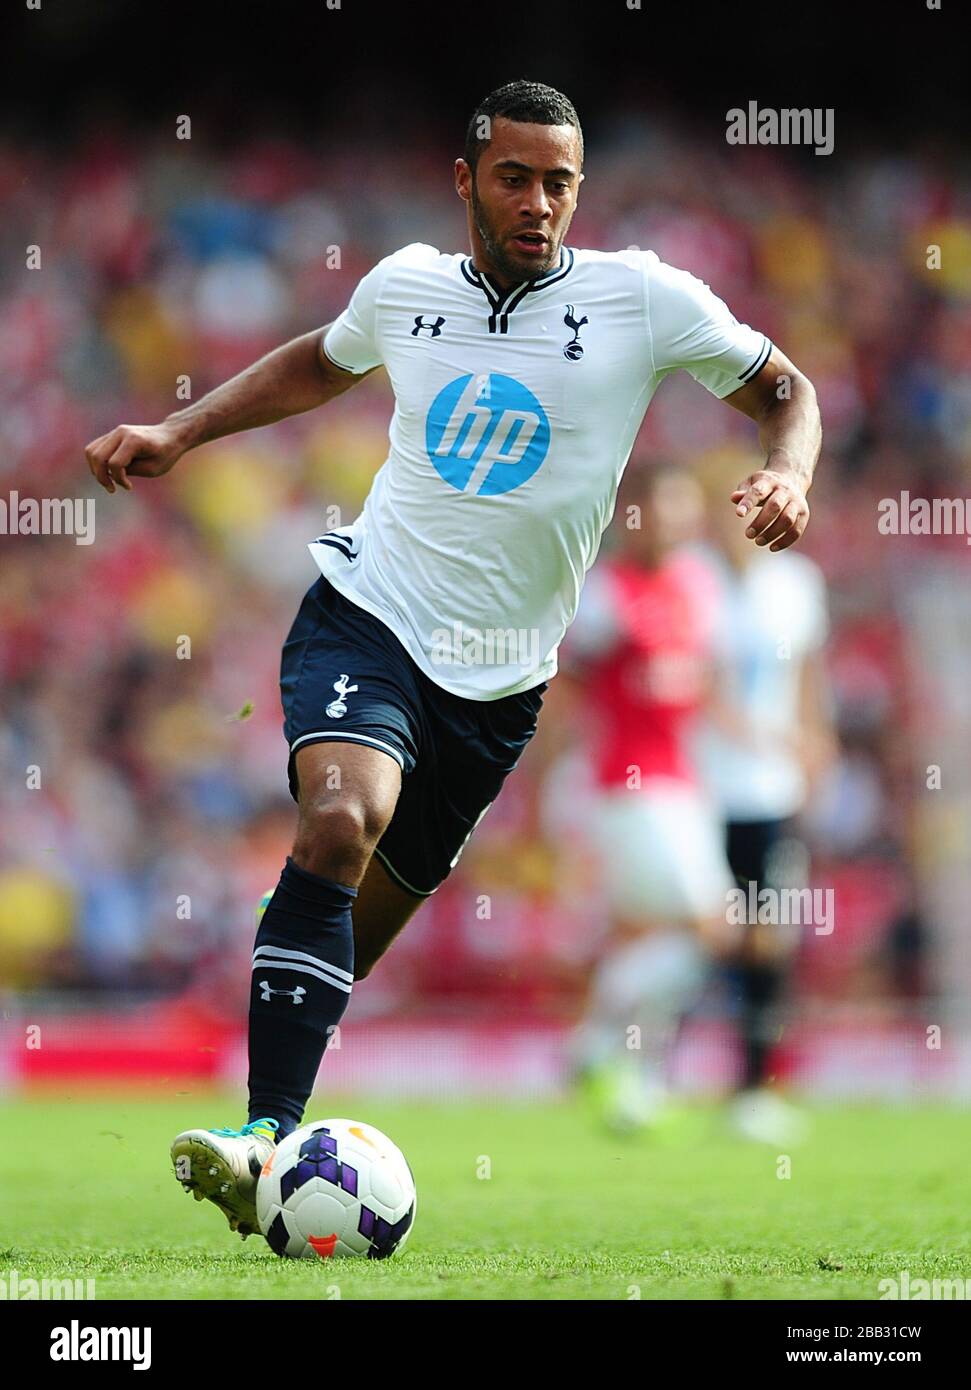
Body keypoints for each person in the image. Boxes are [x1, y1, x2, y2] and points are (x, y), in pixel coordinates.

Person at [83, 80, 821, 1239]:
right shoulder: (406, 287)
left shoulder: (641, 299)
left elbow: (785, 388)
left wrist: (789, 469)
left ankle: (270, 1135)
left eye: (560, 181)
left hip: (497, 688)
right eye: (516, 177)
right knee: (338, 819)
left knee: (354, 933)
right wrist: (182, 429)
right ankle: (262, 1136)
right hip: (367, 611)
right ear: (467, 179)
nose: (539, 203)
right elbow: (320, 362)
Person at [561, 463, 735, 1131]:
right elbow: (566, 691)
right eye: (660, 505)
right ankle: (597, 1040)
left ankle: (638, 1078)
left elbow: (705, 683)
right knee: (707, 926)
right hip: (628, 782)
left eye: (683, 506)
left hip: (688, 782)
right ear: (631, 513)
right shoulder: (604, 595)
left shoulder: (699, 583)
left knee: (655, 933)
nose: (673, 520)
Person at [694, 461, 835, 1143]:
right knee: (695, 933)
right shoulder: (693, 585)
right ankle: (643, 1072)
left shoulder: (795, 585)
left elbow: (806, 675)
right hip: (697, 788)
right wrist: (756, 731)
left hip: (768, 792)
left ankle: (754, 1088)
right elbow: (691, 684)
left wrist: (816, 744)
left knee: (768, 936)